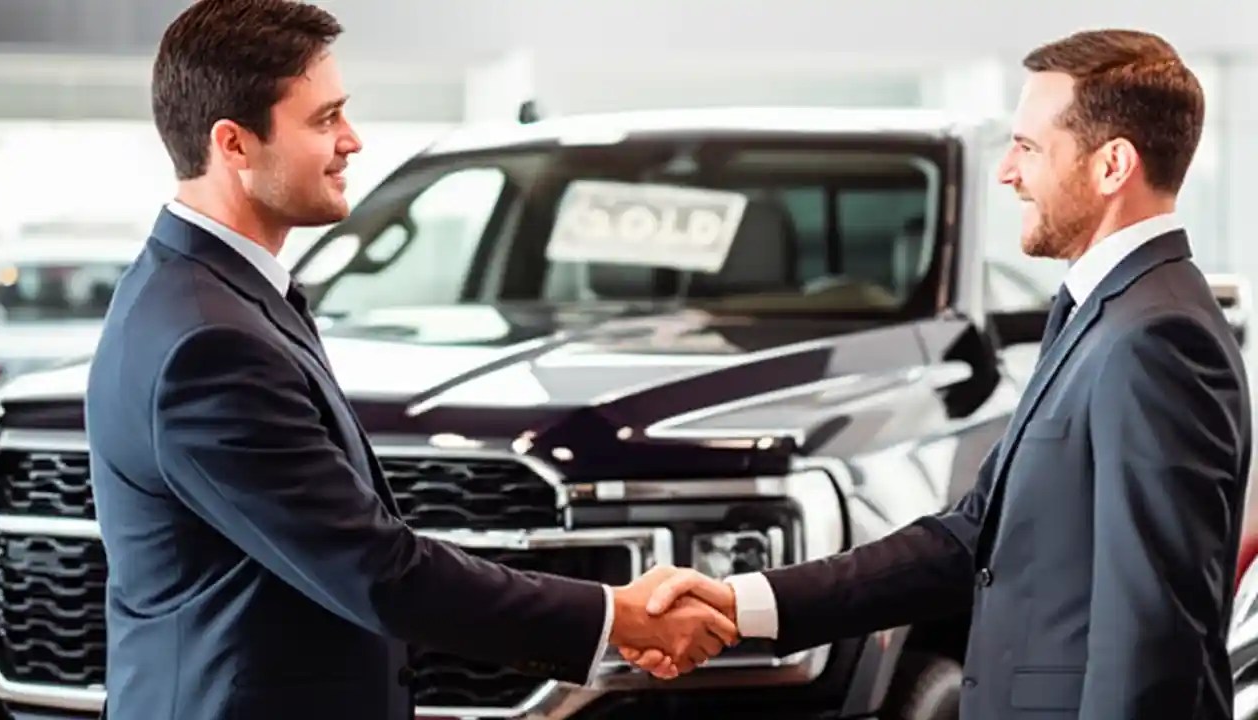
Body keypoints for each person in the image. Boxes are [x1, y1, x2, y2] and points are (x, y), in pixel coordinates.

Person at [83, 1, 735, 718]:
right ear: (234, 145)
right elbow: (379, 572)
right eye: (325, 120)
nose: (352, 141)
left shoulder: (200, 292)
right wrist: (619, 615)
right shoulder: (210, 341)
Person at [622, 28, 1253, 720]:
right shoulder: (1104, 315)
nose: (1008, 172)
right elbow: (971, 537)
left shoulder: (1157, 336)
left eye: (1029, 147)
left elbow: (1153, 634)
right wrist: (744, 602)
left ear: (1112, 166)